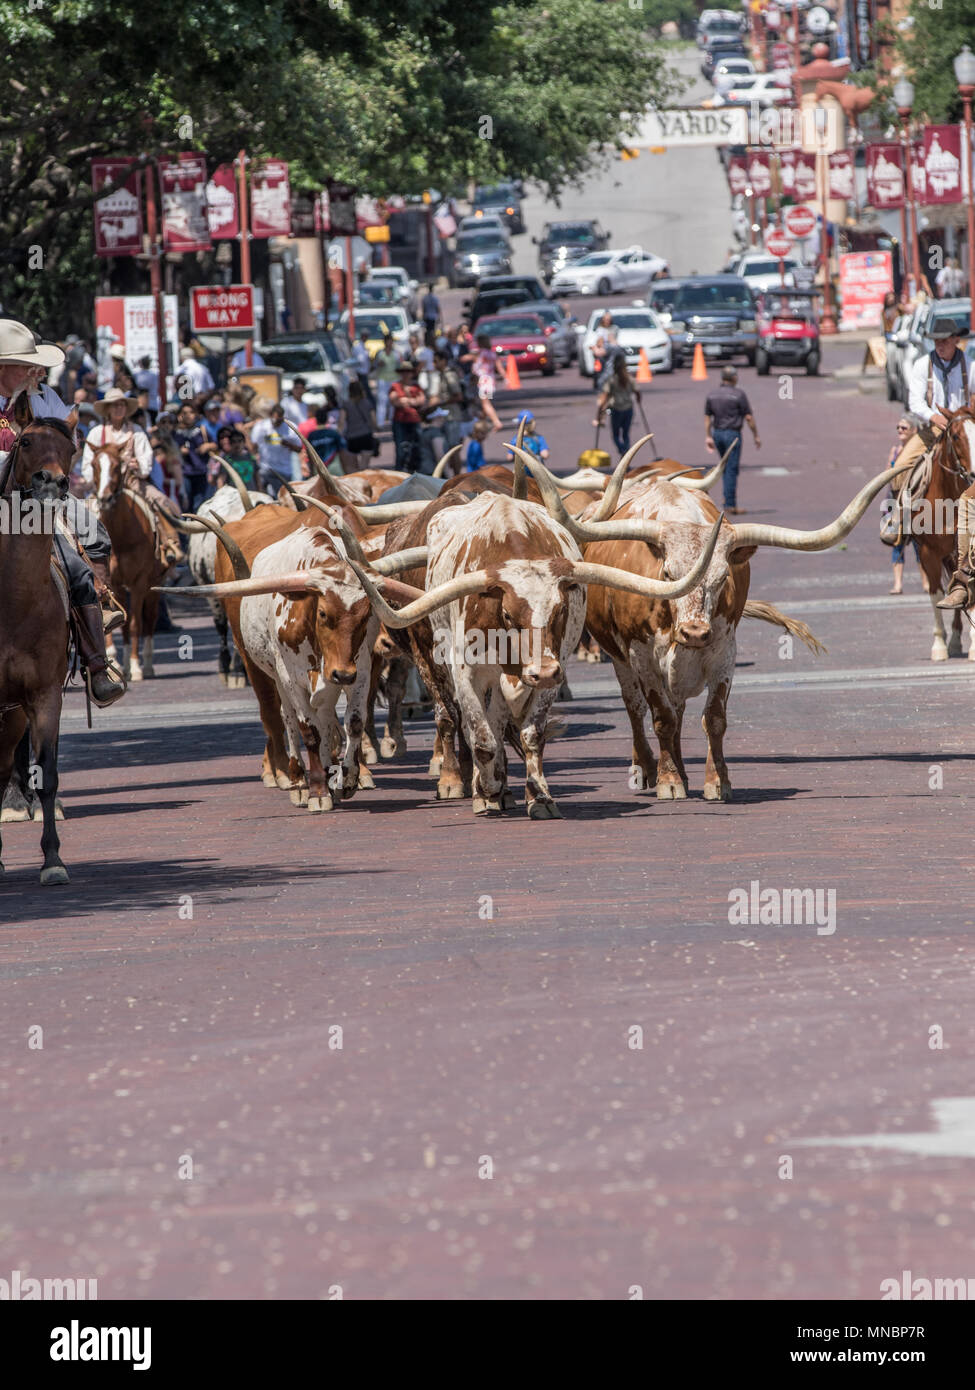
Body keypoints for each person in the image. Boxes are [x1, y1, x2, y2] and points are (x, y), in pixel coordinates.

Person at [0, 319, 126, 705]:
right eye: (24, 363)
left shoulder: (44, 400)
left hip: (37, 500)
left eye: (32, 363)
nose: (32, 370)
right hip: (2, 500)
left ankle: (96, 661)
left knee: (76, 556)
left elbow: (65, 446)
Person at [898, 318, 975, 608]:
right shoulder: (922, 365)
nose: (940, 345)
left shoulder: (970, 364)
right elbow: (915, 401)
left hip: (966, 428)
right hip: (933, 429)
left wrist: (966, 415)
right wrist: (935, 417)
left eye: (945, 340)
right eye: (937, 340)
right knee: (901, 468)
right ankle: (898, 521)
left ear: (957, 340)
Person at [704, 365, 761, 514]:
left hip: (717, 434)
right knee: (731, 469)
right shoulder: (738, 394)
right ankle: (730, 504)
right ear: (734, 377)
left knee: (724, 466)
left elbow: (707, 418)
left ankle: (726, 497)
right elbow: (748, 417)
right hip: (732, 435)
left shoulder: (712, 394)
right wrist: (756, 435)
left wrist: (708, 436)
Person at [885, 415, 924, 595]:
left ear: (914, 431)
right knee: (896, 543)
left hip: (913, 501)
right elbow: (887, 475)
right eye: (898, 427)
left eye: (904, 428)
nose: (900, 430)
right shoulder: (894, 450)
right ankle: (898, 584)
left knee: (919, 543)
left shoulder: (919, 450)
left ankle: (926, 582)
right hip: (894, 501)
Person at [419, 349, 467, 465]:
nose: (434, 364)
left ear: (443, 361)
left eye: (436, 361)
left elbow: (458, 396)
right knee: (446, 449)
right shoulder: (440, 375)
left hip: (452, 416)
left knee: (453, 449)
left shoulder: (449, 375)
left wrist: (439, 404)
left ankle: (457, 477)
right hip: (445, 417)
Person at [594, 356, 639, 457]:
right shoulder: (630, 379)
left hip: (617, 409)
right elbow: (637, 391)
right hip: (628, 409)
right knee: (626, 434)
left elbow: (605, 396)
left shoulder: (612, 380)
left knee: (615, 435)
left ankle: (622, 449)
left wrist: (600, 409)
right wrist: (638, 399)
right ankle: (626, 450)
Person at [251, 402, 303, 487]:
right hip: (265, 469)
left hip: (284, 471)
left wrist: (288, 444)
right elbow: (254, 446)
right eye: (275, 420)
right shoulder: (260, 427)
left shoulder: (291, 428)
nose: (277, 423)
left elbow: (299, 449)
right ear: (270, 416)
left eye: (280, 420)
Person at [388, 358, 427, 472]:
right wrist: (412, 401)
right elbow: (395, 401)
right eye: (404, 372)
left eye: (408, 371)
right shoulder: (395, 386)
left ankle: (416, 472)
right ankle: (400, 473)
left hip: (414, 421)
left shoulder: (416, 387)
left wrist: (407, 400)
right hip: (400, 421)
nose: (406, 374)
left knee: (417, 448)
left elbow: (421, 401)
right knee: (401, 451)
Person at [341, 379, 378, 470]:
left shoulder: (346, 404)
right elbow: (374, 420)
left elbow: (341, 421)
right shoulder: (367, 402)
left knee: (353, 468)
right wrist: (375, 428)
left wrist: (340, 433)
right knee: (364, 467)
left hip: (351, 437)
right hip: (366, 435)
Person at [469, 333, 502, 431]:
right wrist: (505, 377)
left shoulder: (480, 353)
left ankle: (496, 422)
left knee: (485, 403)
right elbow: (499, 366)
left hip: (482, 380)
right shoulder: (492, 353)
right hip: (491, 380)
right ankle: (482, 422)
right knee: (485, 402)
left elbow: (474, 363)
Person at [372, 333, 401, 429]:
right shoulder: (380, 353)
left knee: (393, 401)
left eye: (390, 341)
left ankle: (393, 421)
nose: (389, 343)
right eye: (387, 341)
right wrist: (378, 364)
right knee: (382, 401)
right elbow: (374, 365)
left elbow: (400, 366)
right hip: (382, 379)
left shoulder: (396, 353)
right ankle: (380, 423)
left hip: (394, 379)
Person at [351, 332, 375, 406]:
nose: (366, 338)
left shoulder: (364, 346)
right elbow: (360, 360)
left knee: (365, 391)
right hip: (360, 372)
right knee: (365, 391)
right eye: (365, 336)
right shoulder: (358, 347)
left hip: (364, 372)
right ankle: (372, 405)